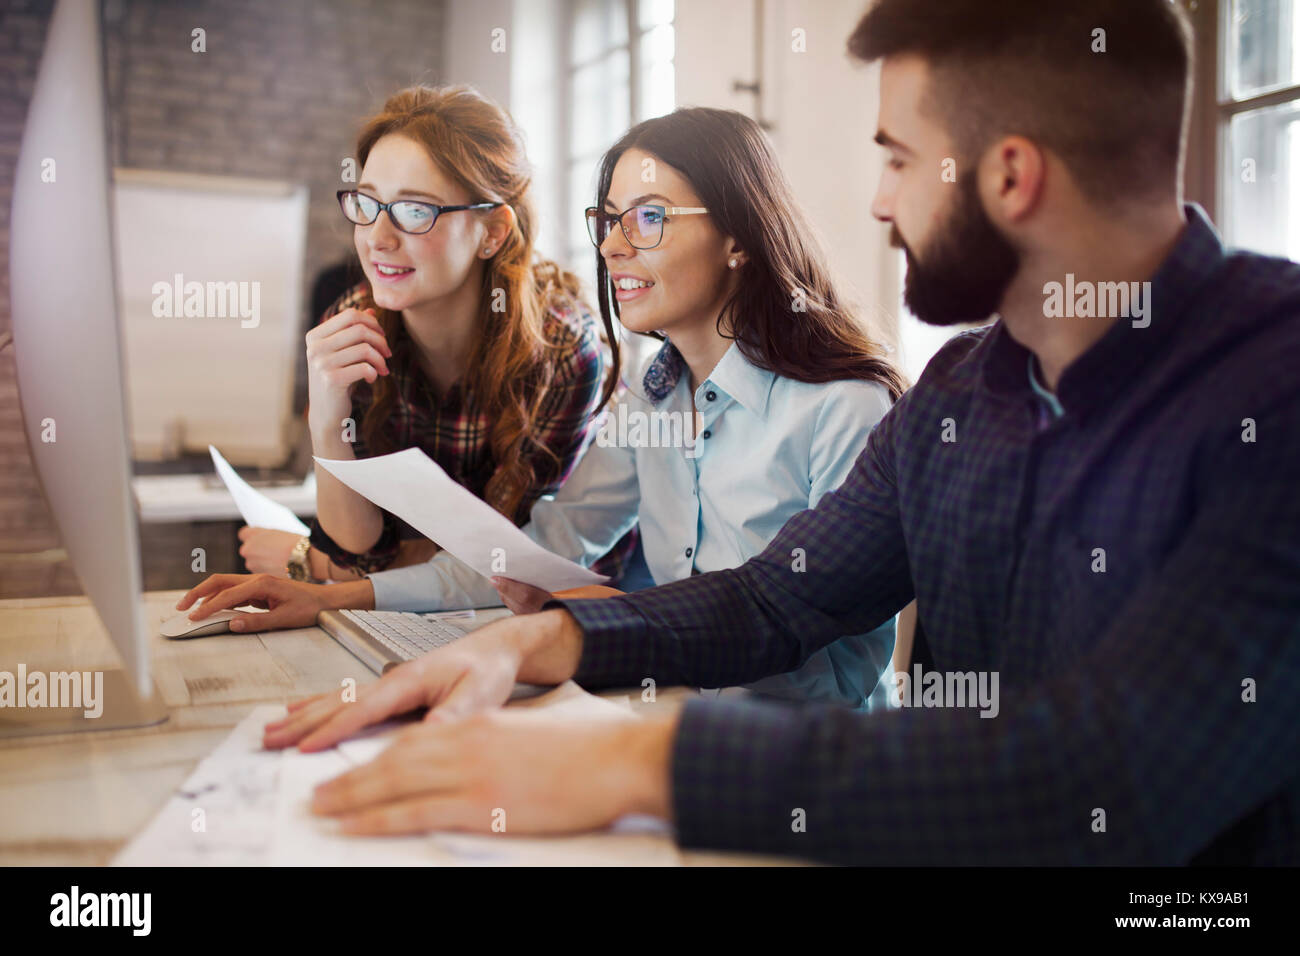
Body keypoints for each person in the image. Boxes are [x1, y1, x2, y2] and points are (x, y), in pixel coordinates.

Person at [204, 0, 1300, 865]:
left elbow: (1107, 777)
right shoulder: (966, 388)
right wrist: (539, 639)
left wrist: (653, 753)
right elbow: (783, 594)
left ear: (1009, 175)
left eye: (896, 158)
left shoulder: (1275, 390)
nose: (874, 201)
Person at [181, 106, 908, 709]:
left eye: (649, 219)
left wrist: (575, 638)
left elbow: (796, 629)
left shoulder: (845, 409)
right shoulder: (652, 398)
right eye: (610, 219)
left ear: (738, 238)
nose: (616, 247)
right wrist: (337, 598)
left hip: (807, 759)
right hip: (664, 717)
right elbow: (536, 551)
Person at [232, 84, 631, 585]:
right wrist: (329, 425)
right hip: (423, 613)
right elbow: (359, 550)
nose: (377, 238)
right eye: (368, 203)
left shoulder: (562, 349)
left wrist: (313, 562)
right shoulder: (355, 323)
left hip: (571, 619)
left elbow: (508, 565)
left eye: (415, 210)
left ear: (493, 232)